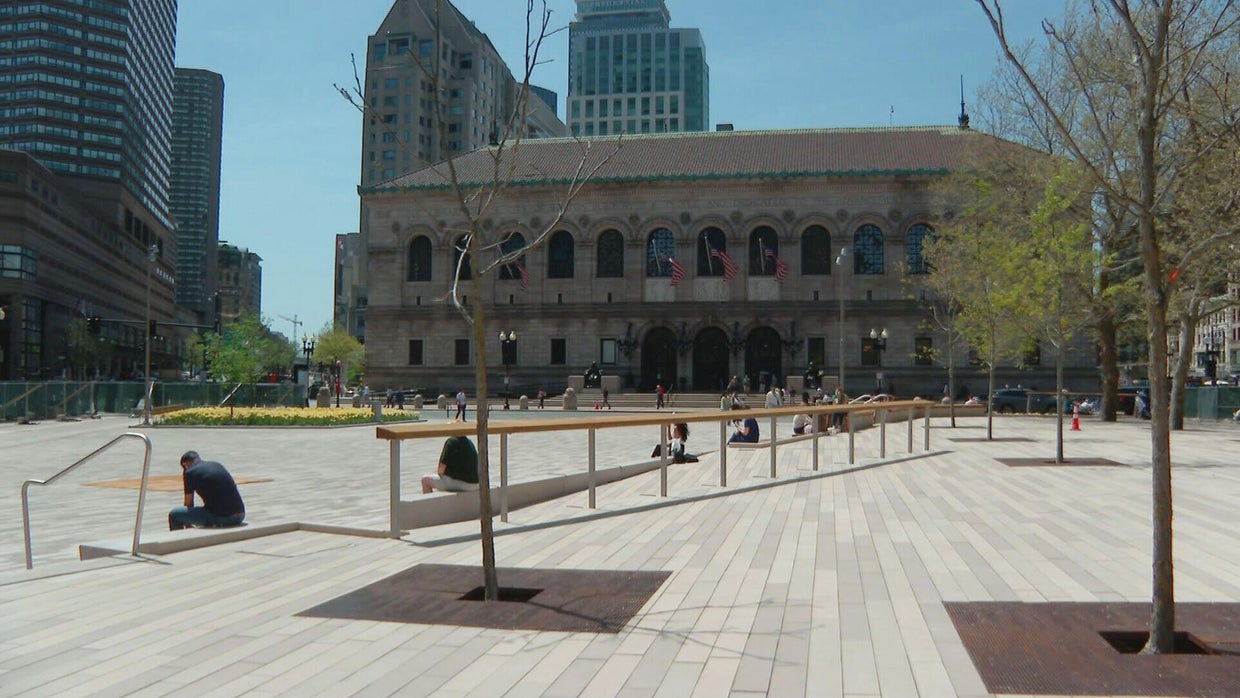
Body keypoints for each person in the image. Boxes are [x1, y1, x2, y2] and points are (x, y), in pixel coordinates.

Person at [168, 451, 245, 530]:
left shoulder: (189, 472)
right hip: (240, 515)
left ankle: (181, 540)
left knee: (174, 515)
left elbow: (188, 503)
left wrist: (188, 523)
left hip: (224, 518)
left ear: (185, 465)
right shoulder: (216, 464)